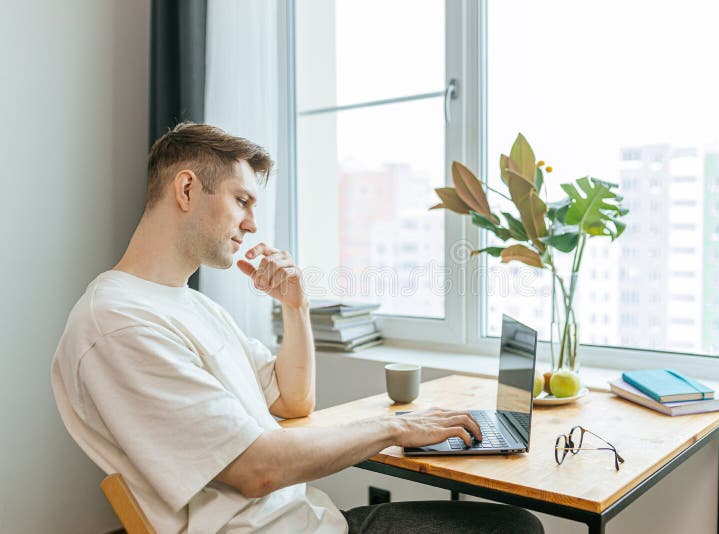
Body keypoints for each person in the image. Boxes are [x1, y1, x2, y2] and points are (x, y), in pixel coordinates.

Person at [51, 123, 545, 533]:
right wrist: (396, 427)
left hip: (312, 521)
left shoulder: (193, 306)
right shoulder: (117, 322)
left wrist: (296, 305)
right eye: (242, 200)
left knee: (514, 525)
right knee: (515, 530)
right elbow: (257, 470)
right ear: (186, 189)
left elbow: (292, 401)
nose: (251, 224)